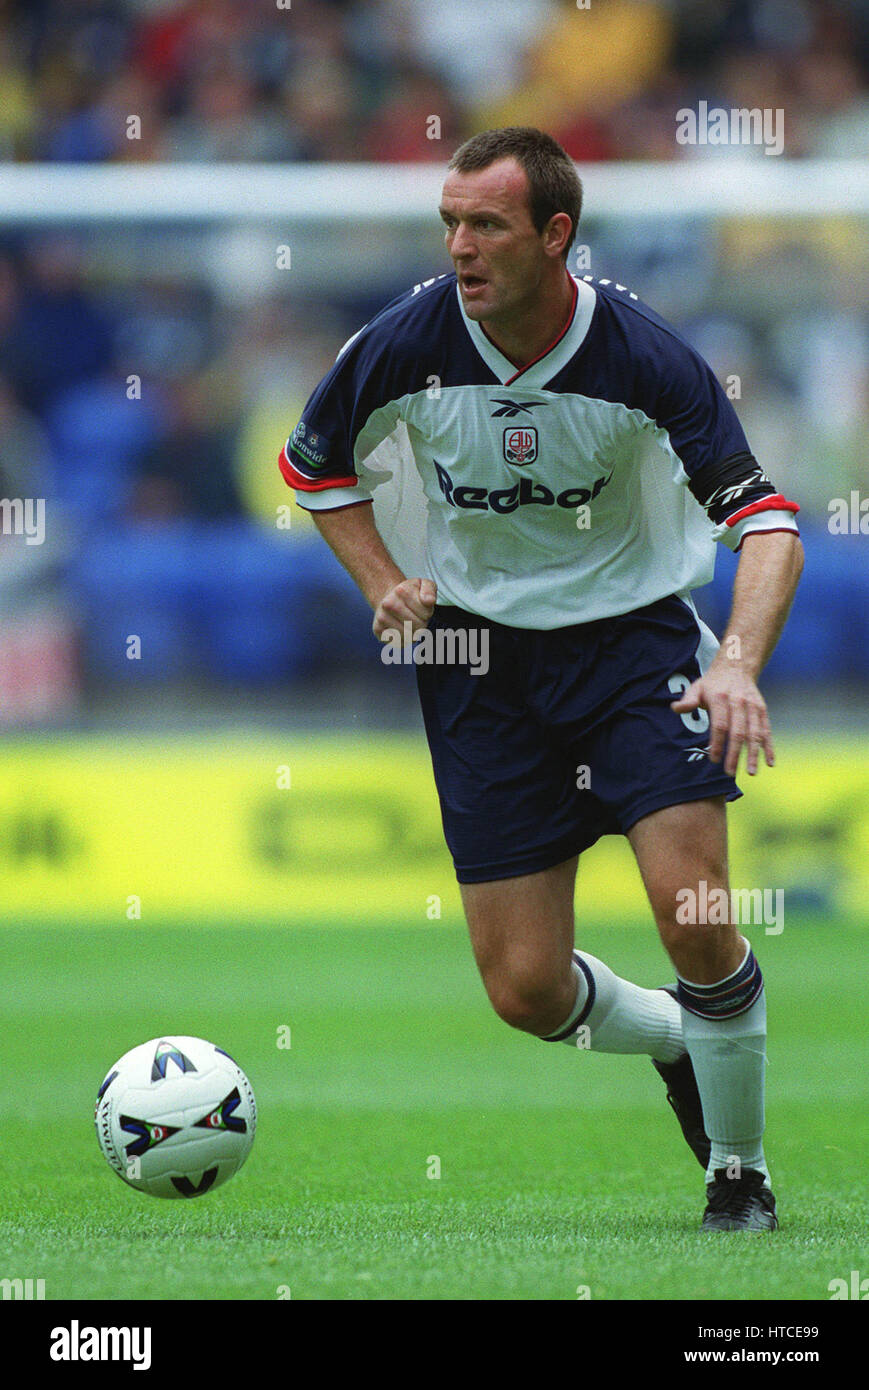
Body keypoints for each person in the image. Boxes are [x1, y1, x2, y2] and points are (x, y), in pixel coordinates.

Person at [278, 127, 803, 1231]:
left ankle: (738, 1173)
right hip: (479, 664)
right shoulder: (399, 341)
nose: (459, 247)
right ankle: (680, 1039)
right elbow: (313, 467)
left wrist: (738, 666)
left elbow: (765, 521)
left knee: (693, 912)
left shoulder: (644, 357)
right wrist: (381, 579)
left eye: (485, 225)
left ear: (553, 235)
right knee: (524, 989)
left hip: (633, 651)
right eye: (448, 224)